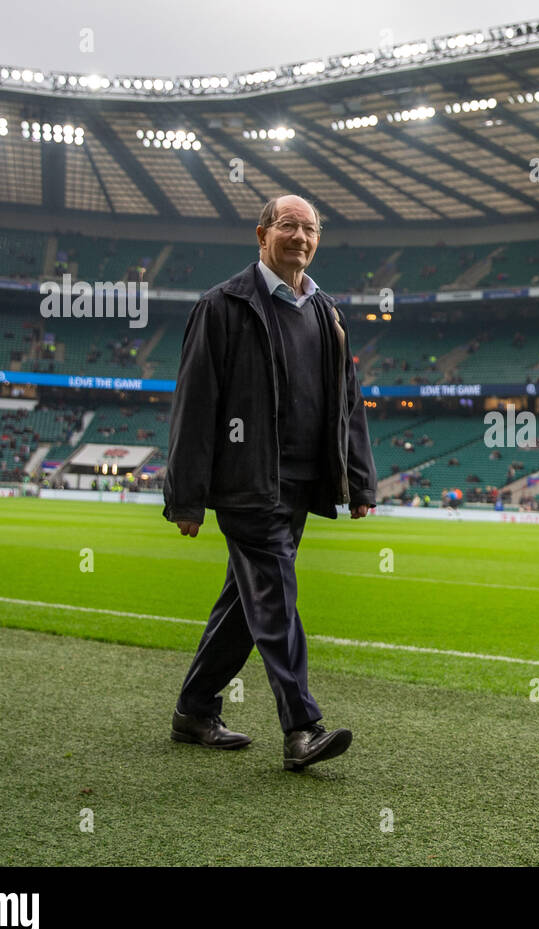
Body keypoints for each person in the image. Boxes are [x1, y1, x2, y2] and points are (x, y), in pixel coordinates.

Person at [163, 195, 377, 772]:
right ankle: (302, 727)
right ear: (262, 233)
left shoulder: (326, 311)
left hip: (302, 485)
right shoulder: (223, 305)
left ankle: (193, 708)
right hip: (245, 483)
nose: (300, 237)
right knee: (276, 596)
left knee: (247, 603)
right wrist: (185, 496)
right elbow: (195, 404)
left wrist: (360, 482)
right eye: (288, 225)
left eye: (309, 229)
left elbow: (347, 405)